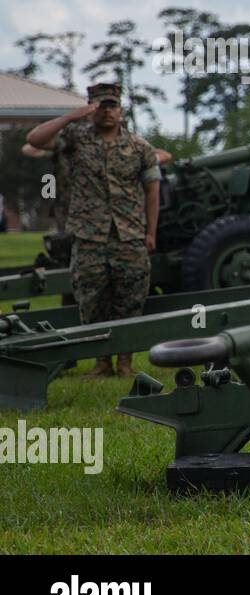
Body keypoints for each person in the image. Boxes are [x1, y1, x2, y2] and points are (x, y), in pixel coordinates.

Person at [24, 83, 160, 376]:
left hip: (129, 235)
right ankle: (101, 362)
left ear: (121, 111)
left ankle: (125, 362)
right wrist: (70, 117)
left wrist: (151, 233)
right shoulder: (75, 140)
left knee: (131, 301)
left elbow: (152, 191)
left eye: (112, 105)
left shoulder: (139, 147)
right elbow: (34, 139)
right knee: (91, 301)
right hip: (88, 236)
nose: (107, 112)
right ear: (90, 109)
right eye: (101, 106)